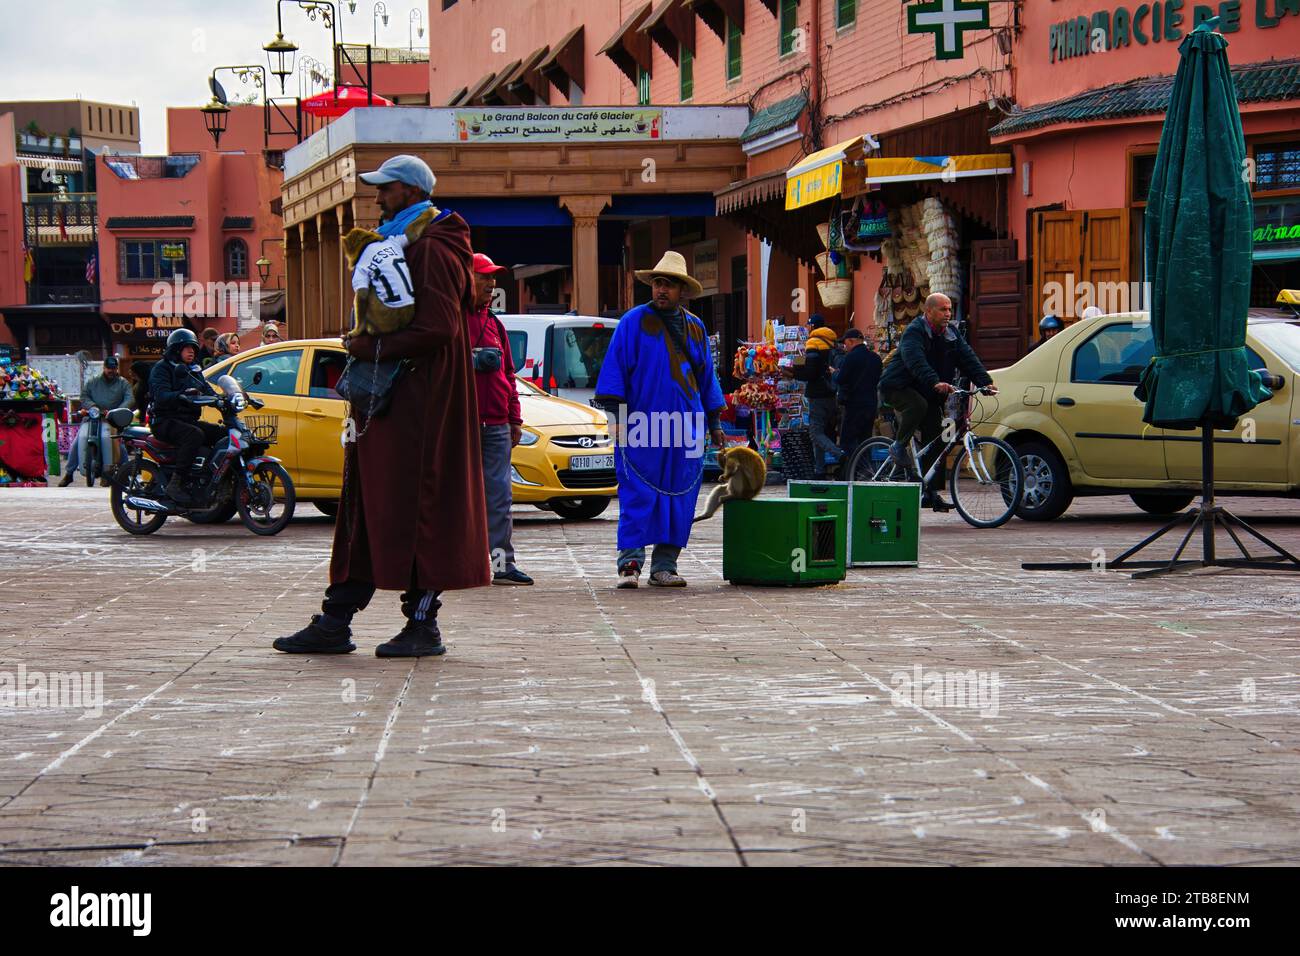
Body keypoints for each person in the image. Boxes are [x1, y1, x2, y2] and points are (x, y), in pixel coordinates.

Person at [274, 153, 490, 658]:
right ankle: (335, 619)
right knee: (369, 506)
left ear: (410, 193)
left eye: (385, 189)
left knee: (422, 511)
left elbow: (438, 328)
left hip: (423, 407)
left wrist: (367, 346)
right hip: (391, 403)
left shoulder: (435, 247)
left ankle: (422, 625)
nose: (377, 198)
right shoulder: (405, 241)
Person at [595, 250, 726, 589]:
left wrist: (715, 424)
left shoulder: (695, 328)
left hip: (686, 428)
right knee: (637, 494)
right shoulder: (632, 323)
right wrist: (617, 423)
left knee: (680, 497)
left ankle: (664, 566)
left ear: (683, 290)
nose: (661, 290)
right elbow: (614, 374)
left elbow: (708, 379)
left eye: (668, 284)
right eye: (657, 283)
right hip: (641, 426)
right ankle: (630, 564)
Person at [878, 293, 997, 511]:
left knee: (941, 437)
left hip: (928, 391)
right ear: (929, 311)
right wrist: (935, 381)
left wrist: (985, 383)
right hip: (898, 386)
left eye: (950, 309)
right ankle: (898, 446)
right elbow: (915, 360)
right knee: (917, 406)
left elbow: (967, 357)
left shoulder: (951, 332)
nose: (948, 314)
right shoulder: (915, 331)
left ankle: (929, 493)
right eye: (943, 309)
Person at [467, 251, 532, 586]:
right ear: (467, 279)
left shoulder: (495, 324)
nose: (491, 284)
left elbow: (508, 374)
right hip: (461, 427)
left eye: (493, 278)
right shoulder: (452, 320)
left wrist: (514, 419)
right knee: (461, 499)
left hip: (495, 427)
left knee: (499, 499)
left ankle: (502, 565)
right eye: (485, 277)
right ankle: (461, 564)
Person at [148, 329, 224, 504]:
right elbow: (161, 396)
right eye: (186, 348)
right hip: (165, 421)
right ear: (176, 350)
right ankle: (176, 483)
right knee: (194, 435)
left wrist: (223, 399)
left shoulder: (193, 370)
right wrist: (182, 394)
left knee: (222, 433)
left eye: (193, 348)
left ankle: (209, 481)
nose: (191, 351)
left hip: (186, 420)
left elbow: (207, 389)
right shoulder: (162, 368)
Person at [790, 324, 842, 477]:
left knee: (815, 433)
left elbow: (810, 373)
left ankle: (840, 455)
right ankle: (819, 470)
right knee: (823, 432)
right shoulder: (833, 345)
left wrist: (794, 371)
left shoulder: (813, 346)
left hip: (817, 396)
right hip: (832, 395)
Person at [75, 355, 132, 487]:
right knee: (78, 441)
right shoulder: (93, 381)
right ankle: (69, 472)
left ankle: (121, 472)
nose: (111, 371)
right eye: (108, 368)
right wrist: (92, 406)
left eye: (114, 368)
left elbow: (129, 399)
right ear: (104, 368)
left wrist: (117, 411)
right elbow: (84, 396)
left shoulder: (123, 383)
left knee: (118, 444)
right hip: (93, 417)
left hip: (112, 420)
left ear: (117, 368)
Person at [834, 328, 883, 456]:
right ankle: (864, 470)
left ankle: (850, 471)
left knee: (848, 441)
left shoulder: (851, 357)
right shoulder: (875, 358)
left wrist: (834, 372)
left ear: (851, 341)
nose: (845, 347)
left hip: (854, 404)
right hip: (871, 403)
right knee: (865, 440)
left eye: (845, 343)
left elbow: (841, 379)